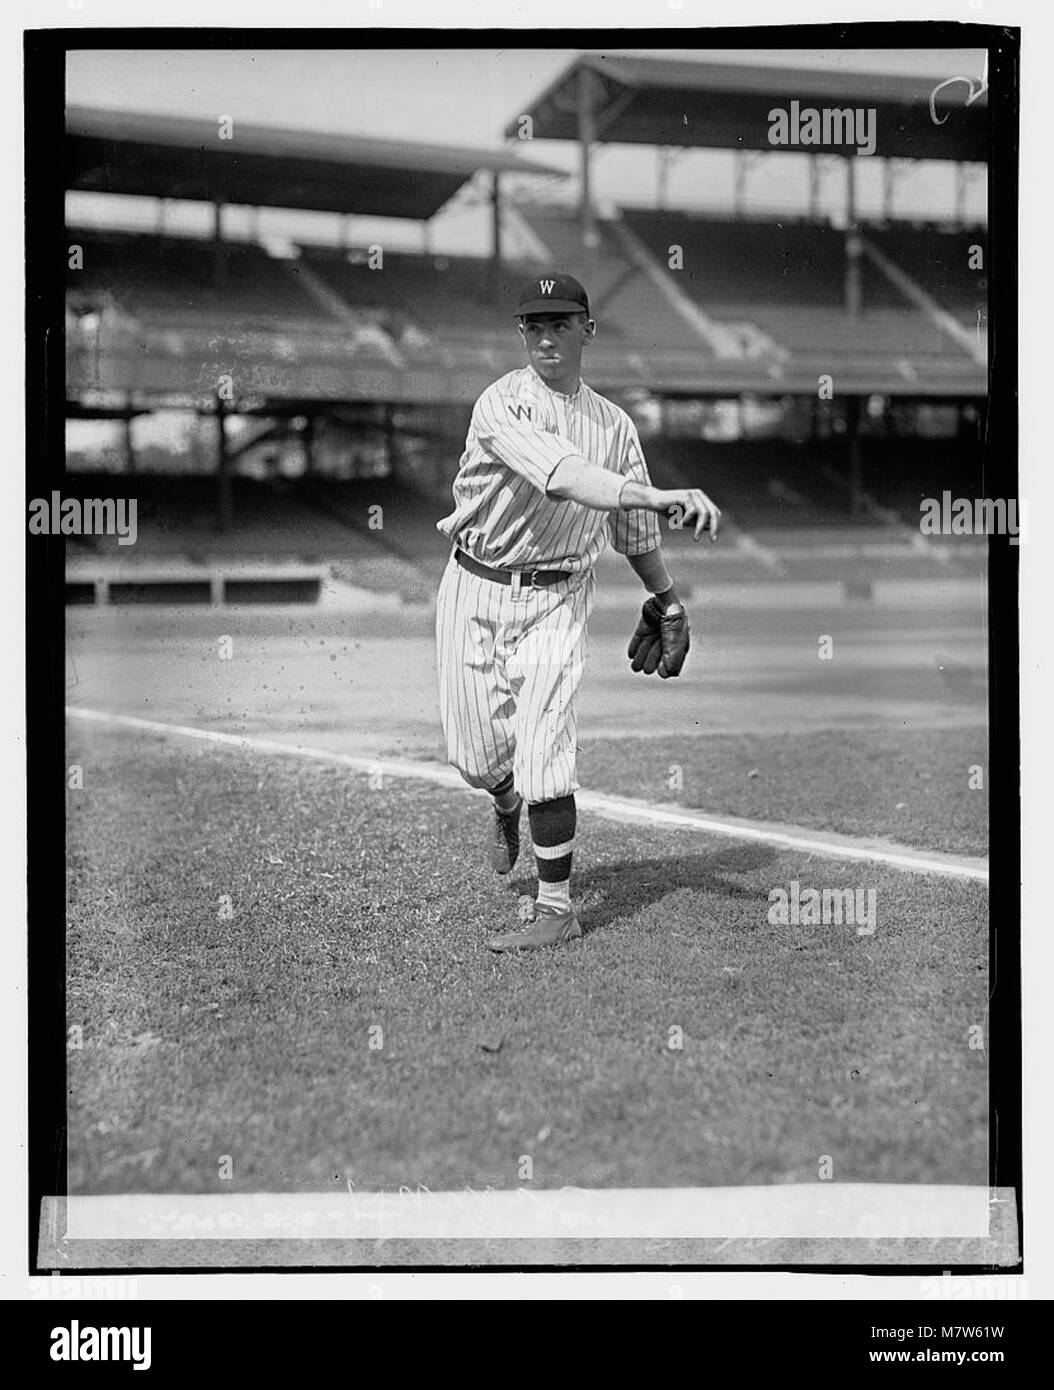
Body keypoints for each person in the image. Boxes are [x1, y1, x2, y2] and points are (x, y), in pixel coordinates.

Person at [435, 272, 720, 951]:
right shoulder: (502, 402)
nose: (544, 336)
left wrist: (666, 597)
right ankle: (504, 801)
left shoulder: (615, 427)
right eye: (533, 324)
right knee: (474, 757)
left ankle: (556, 907)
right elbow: (563, 475)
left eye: (560, 323)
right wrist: (652, 494)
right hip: (474, 585)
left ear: (587, 330)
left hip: (558, 597)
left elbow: (632, 536)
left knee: (546, 751)